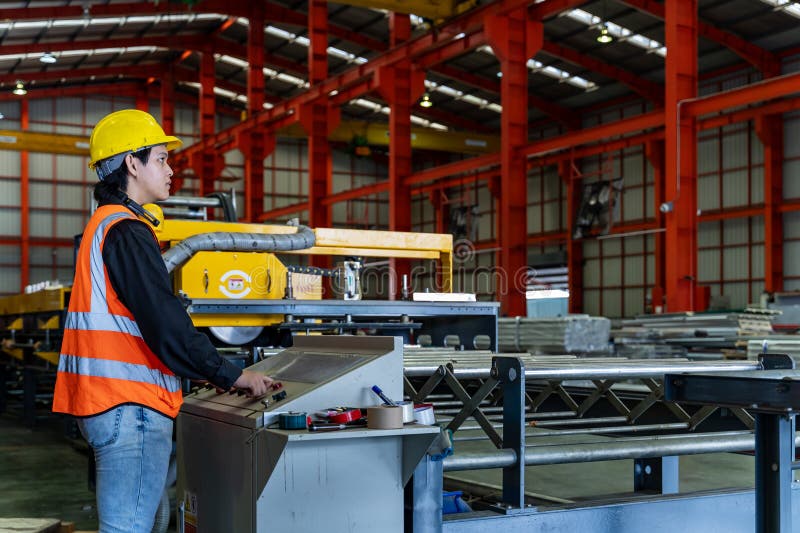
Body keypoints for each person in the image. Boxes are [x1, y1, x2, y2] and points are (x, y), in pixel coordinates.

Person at [52, 109, 273, 533]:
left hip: (112, 402)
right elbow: (164, 323)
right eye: (161, 159)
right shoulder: (126, 230)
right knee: (128, 527)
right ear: (132, 164)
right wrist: (231, 375)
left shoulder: (106, 226)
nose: (171, 170)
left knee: (146, 521)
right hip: (128, 406)